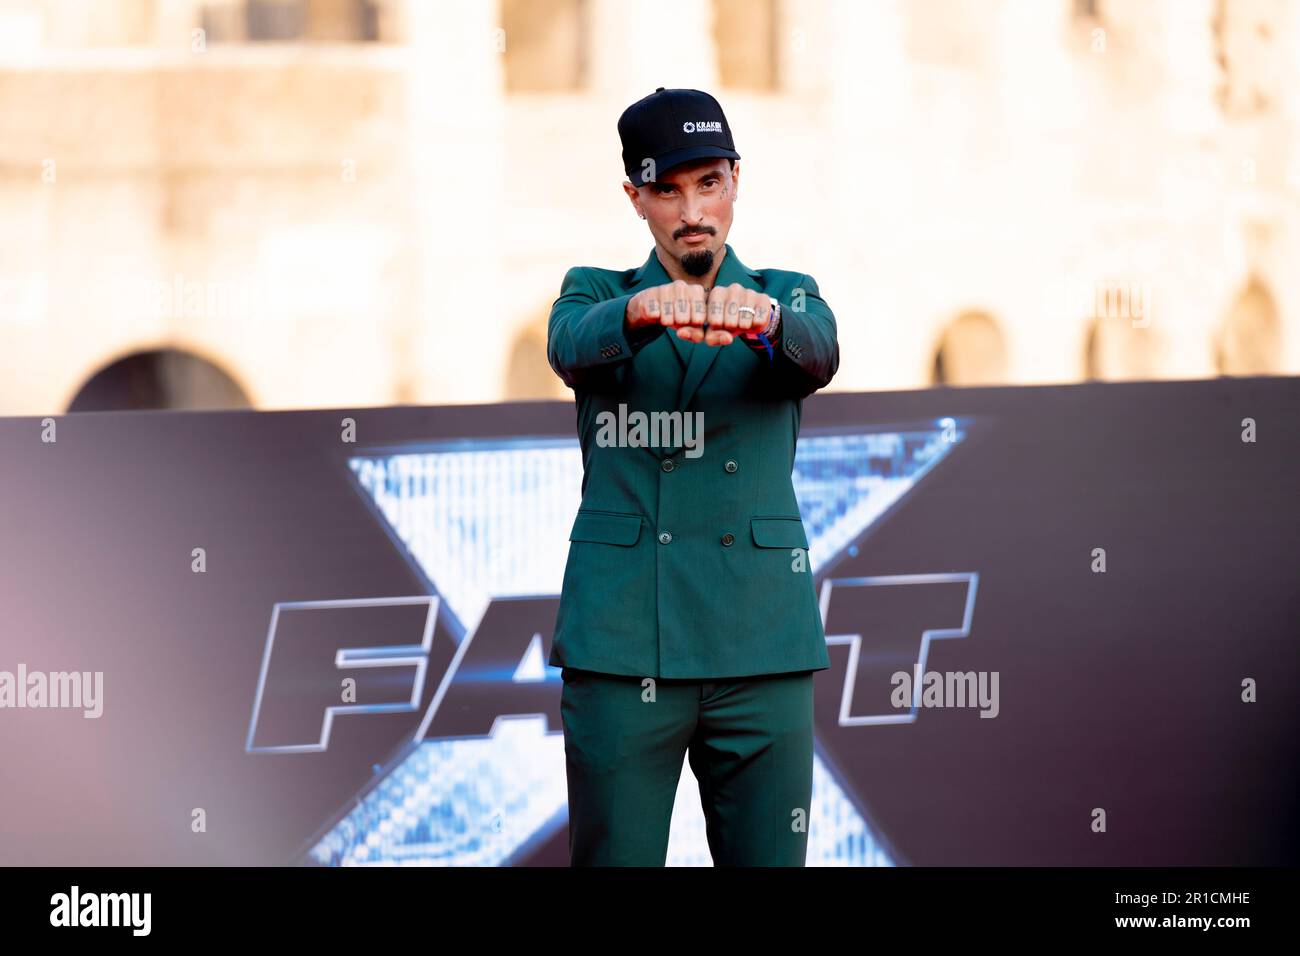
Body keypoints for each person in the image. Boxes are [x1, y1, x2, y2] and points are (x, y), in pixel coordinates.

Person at [546, 87, 840, 866]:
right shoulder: (597, 292)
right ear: (635, 198)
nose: (691, 211)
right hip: (621, 648)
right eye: (667, 190)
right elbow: (569, 346)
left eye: (707, 182)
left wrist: (767, 325)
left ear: (736, 181)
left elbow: (818, 354)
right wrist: (646, 312)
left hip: (761, 646)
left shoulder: (786, 292)